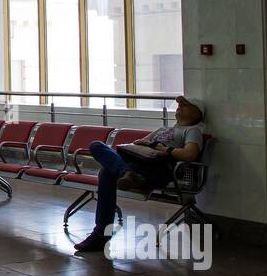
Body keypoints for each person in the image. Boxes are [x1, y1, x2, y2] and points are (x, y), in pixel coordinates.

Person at [73, 95, 205, 254]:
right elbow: (138, 146)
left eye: (185, 105)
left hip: (161, 168)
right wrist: (139, 145)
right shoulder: (162, 129)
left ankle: (101, 234)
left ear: (196, 113)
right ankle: (128, 173)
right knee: (96, 146)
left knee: (106, 173)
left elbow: (189, 154)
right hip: (140, 164)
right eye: (179, 104)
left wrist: (161, 148)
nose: (179, 106)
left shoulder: (192, 131)